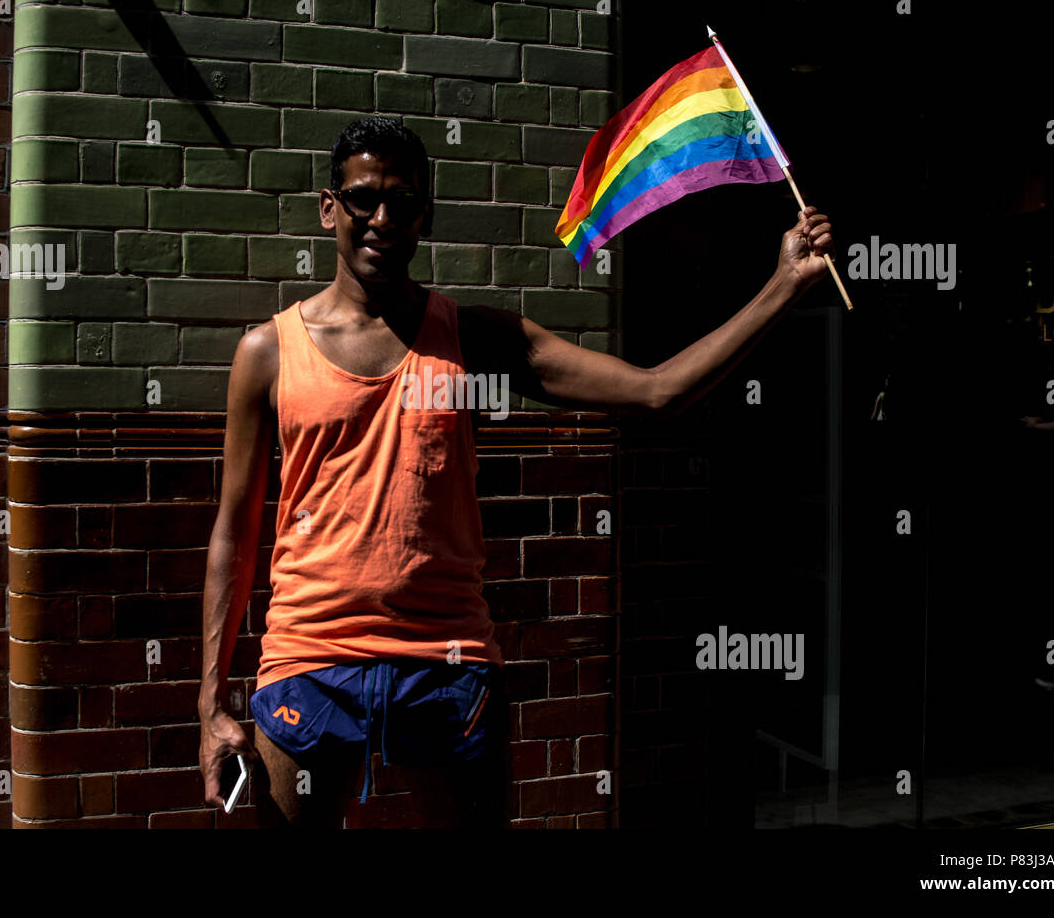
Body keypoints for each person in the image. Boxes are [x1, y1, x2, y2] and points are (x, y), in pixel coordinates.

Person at [198, 116, 836, 828]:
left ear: (424, 217)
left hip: (446, 666)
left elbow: (657, 390)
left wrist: (783, 284)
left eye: (403, 203)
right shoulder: (268, 353)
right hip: (308, 662)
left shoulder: (474, 339)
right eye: (362, 199)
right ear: (329, 207)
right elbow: (234, 530)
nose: (382, 218)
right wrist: (210, 703)